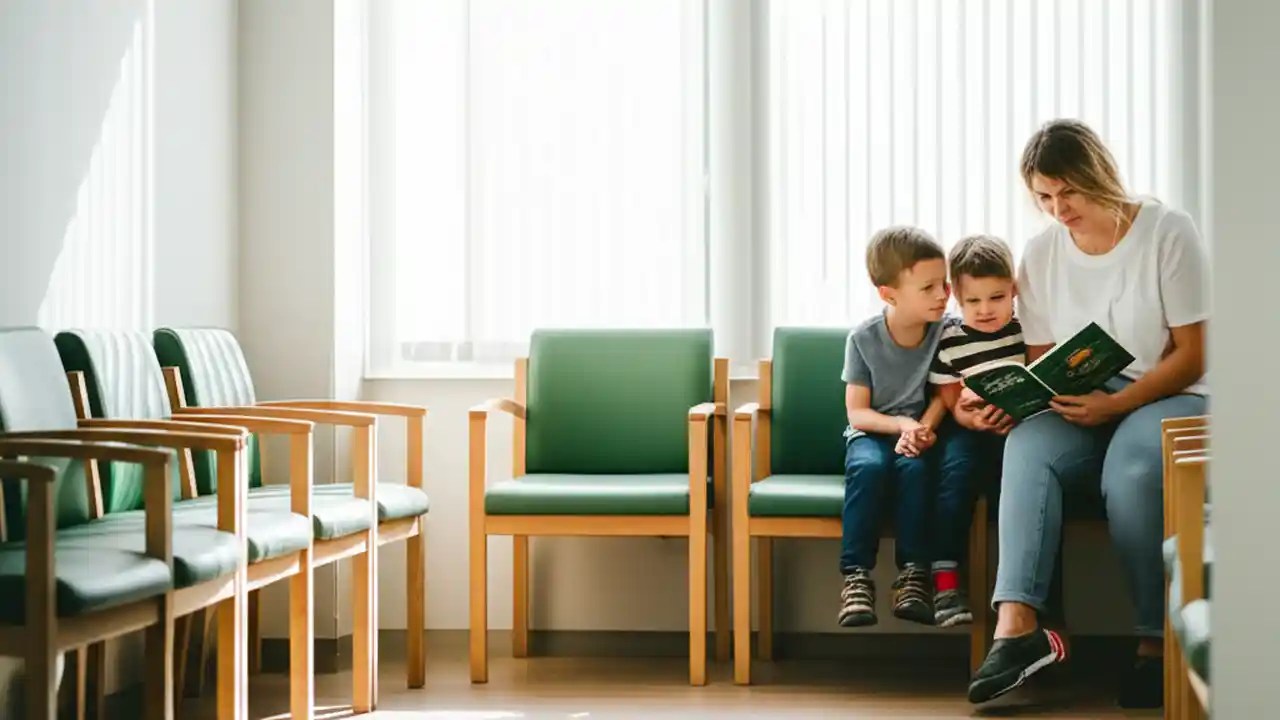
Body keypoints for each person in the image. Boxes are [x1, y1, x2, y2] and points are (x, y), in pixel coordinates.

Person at [967, 119, 1209, 708]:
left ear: (1096, 174)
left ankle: (1157, 644)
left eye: (1066, 193)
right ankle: (1017, 628)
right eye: (1044, 198)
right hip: (1084, 394)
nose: (1057, 209)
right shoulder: (1043, 252)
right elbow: (1041, 354)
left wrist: (1119, 404)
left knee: (1129, 472)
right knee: (1025, 447)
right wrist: (1016, 399)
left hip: (1169, 393)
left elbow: (1196, 352)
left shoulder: (1167, 231)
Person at [838, 226, 978, 630]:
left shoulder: (948, 330)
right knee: (869, 468)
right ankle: (856, 576)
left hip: (922, 435)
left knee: (916, 470)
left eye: (944, 285)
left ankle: (914, 574)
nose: (942, 295)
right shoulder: (863, 339)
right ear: (889, 293)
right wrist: (901, 423)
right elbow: (857, 414)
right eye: (928, 287)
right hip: (875, 431)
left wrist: (924, 427)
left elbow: (944, 391)